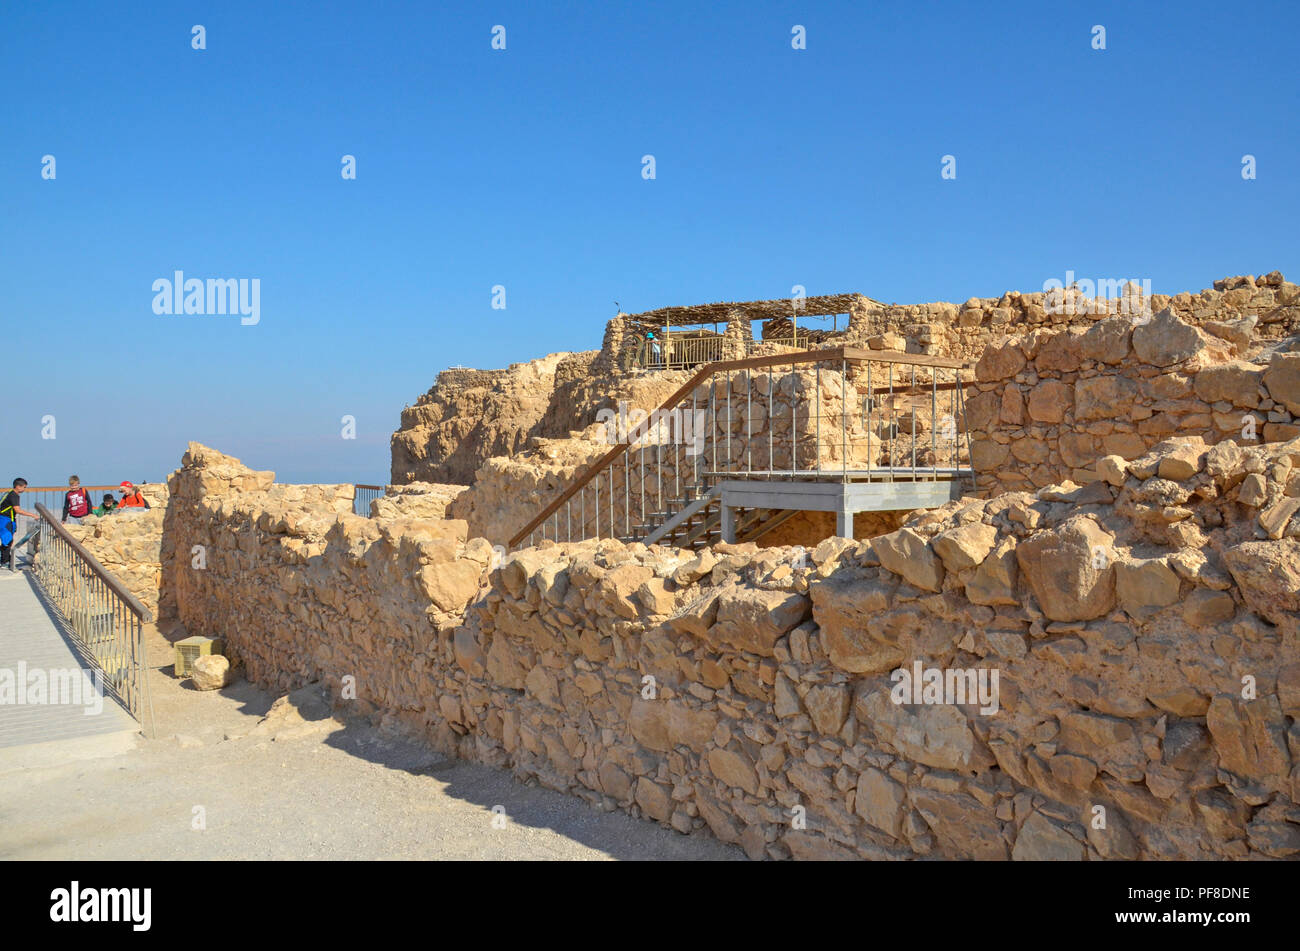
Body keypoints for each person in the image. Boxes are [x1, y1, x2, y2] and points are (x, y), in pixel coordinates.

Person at [1, 478, 37, 569]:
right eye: (24, 487)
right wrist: (32, 515)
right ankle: (4, 562)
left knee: (8, 540)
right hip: (5, 520)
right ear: (18, 486)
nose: (24, 489)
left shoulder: (9, 492)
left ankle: (5, 559)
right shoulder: (14, 495)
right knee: (7, 540)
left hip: (5, 519)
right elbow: (18, 510)